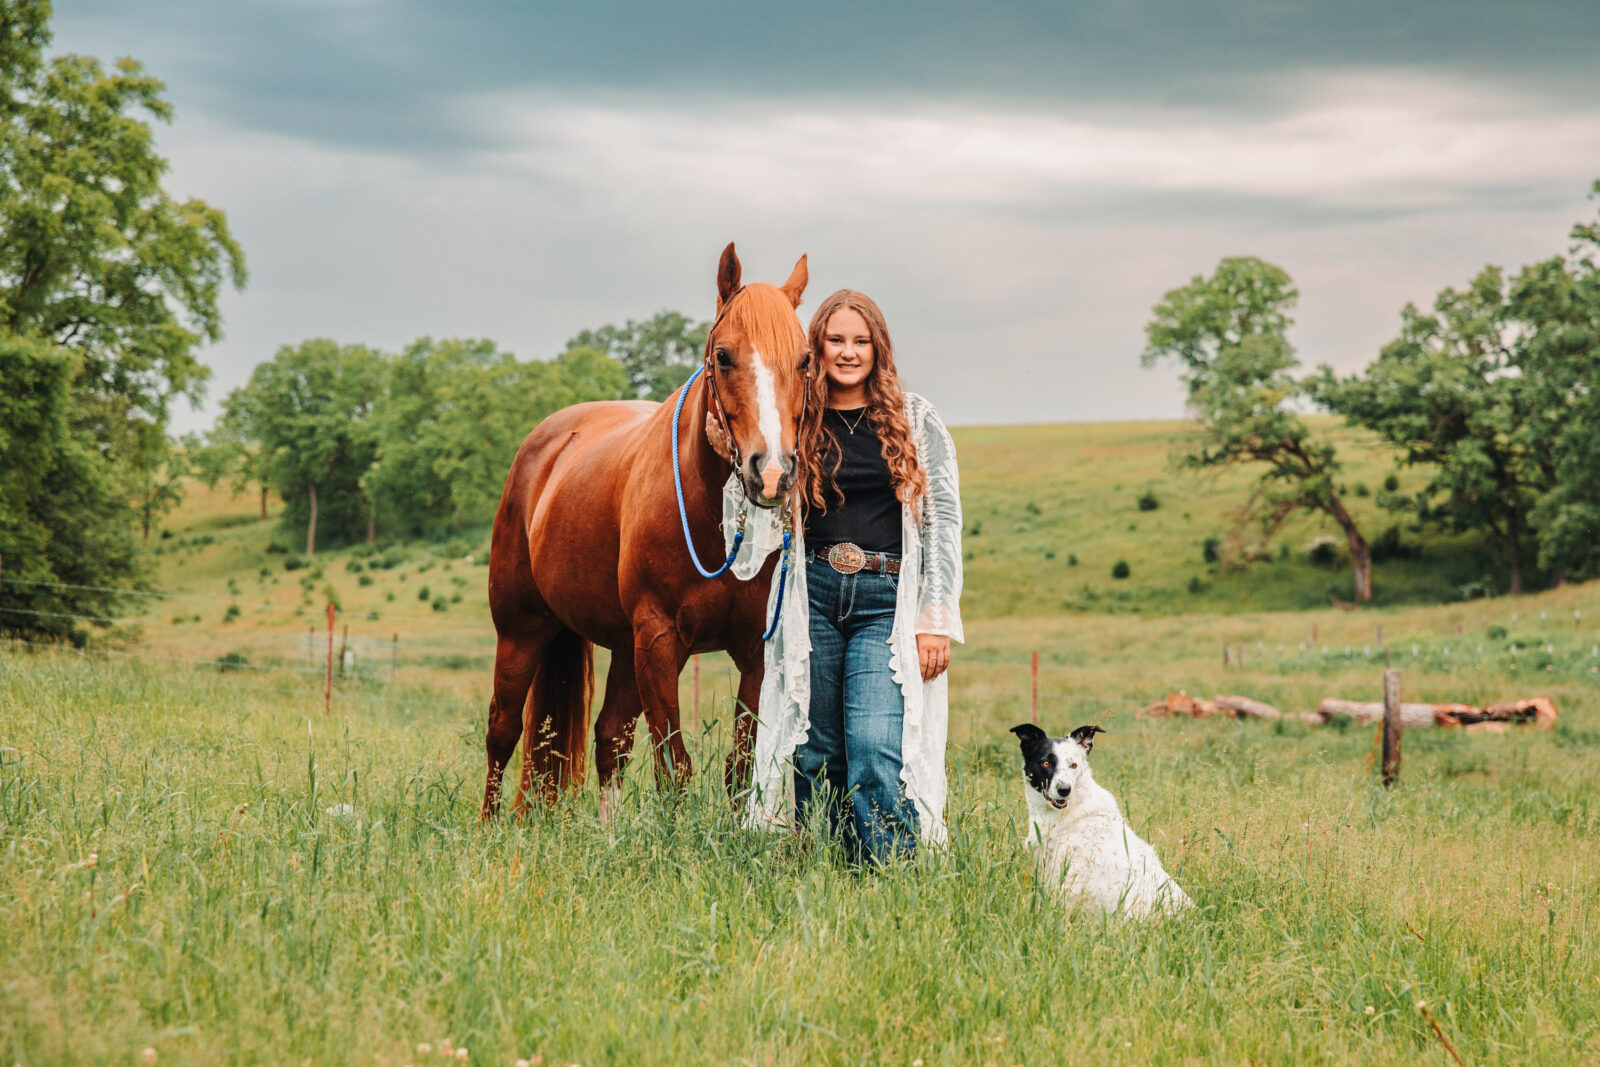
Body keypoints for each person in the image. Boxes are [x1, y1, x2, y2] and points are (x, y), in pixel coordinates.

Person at [742, 288, 963, 865]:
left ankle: (889, 873)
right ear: (816, 346)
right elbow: (759, 519)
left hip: (883, 602)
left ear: (878, 348)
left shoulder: (914, 419)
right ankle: (821, 865)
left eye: (859, 341)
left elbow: (942, 522)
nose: (847, 352)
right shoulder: (796, 418)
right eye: (836, 340)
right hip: (811, 596)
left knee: (872, 746)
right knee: (815, 748)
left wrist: (934, 618)